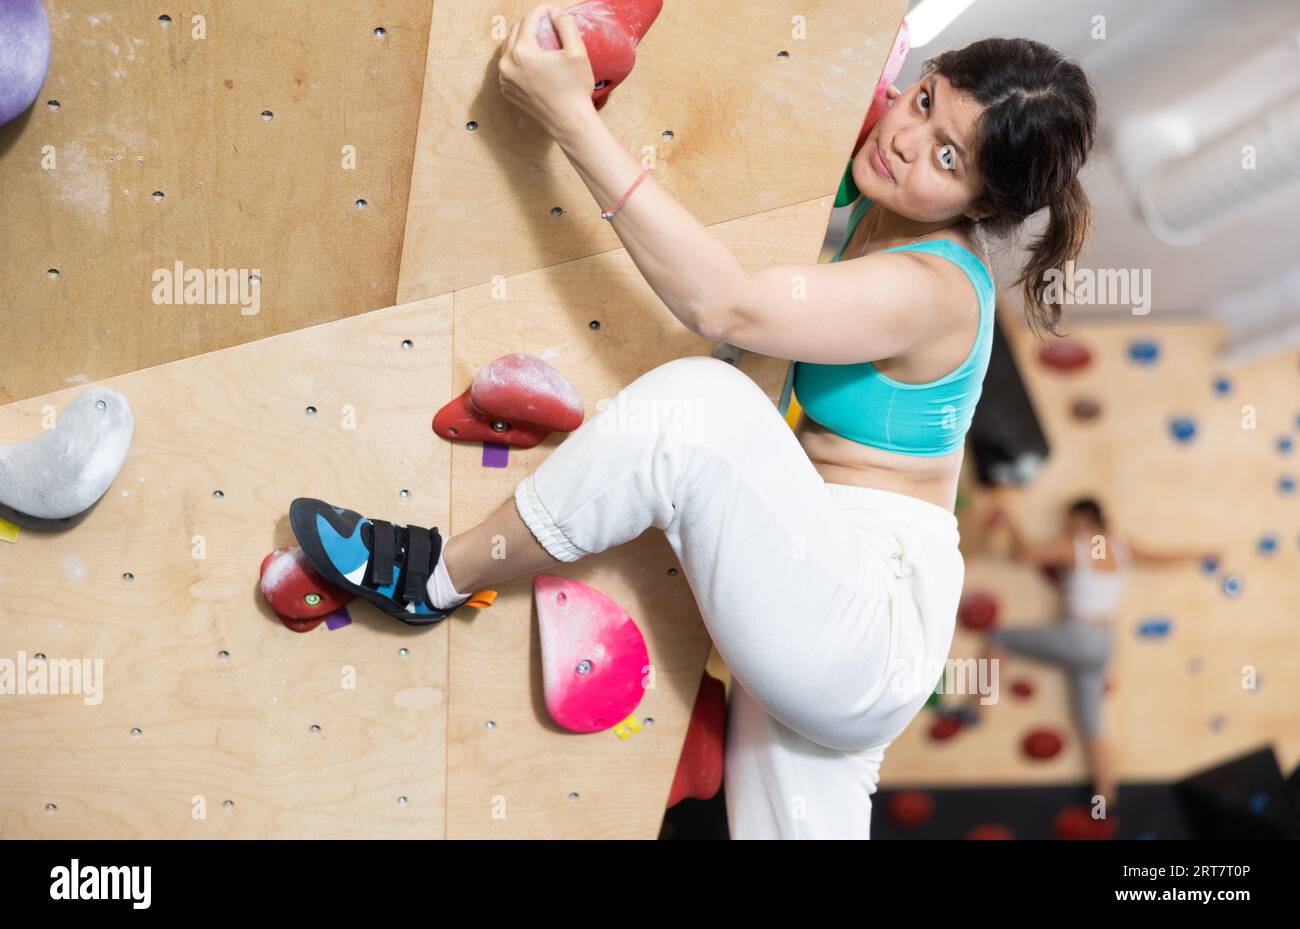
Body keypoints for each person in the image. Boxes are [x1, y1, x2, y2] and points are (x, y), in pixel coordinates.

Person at [287, 5, 1099, 838]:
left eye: (949, 157)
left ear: (978, 204)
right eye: (926, 100)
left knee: (701, 413)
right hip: (838, 587)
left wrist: (566, 117)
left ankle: (432, 577)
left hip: (866, 614)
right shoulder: (886, 180)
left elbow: (727, 305)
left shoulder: (932, 288)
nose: (908, 140)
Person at [969, 493, 1214, 810]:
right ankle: (1106, 800)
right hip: (1105, 643)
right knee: (1093, 725)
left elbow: (1026, 554)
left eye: (1069, 521)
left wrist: (1010, 517)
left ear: (1082, 519)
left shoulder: (1079, 544)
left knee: (999, 638)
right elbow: (1160, 557)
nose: (1066, 527)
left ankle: (977, 710)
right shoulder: (1122, 545)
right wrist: (1201, 554)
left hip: (1078, 635)